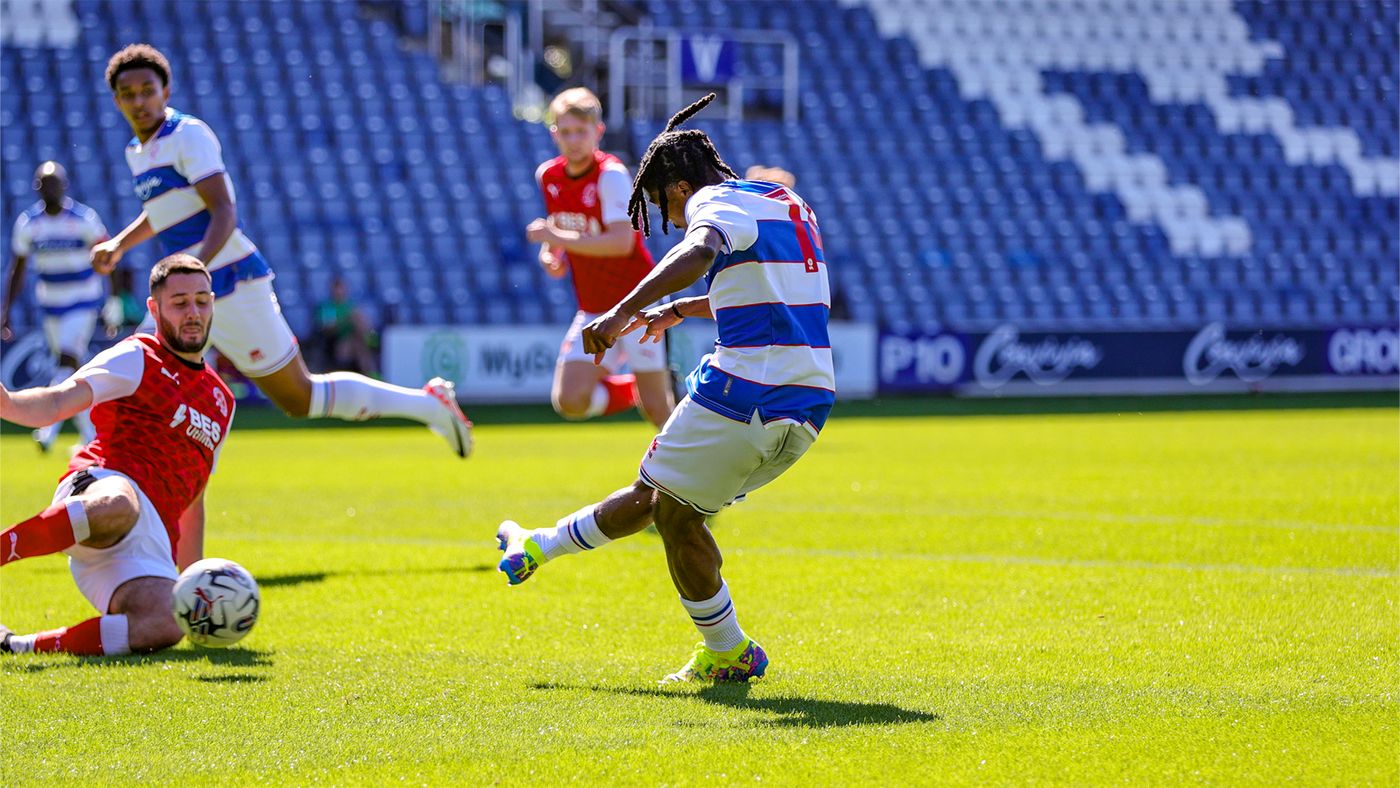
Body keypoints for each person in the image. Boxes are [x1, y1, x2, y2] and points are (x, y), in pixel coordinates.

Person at [497, 94, 834, 683]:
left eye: (660, 206)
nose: (669, 219)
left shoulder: (712, 202)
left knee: (664, 507)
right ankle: (537, 548)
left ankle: (727, 651)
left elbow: (698, 248)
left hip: (745, 391)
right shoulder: (787, 201)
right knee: (673, 508)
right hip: (807, 404)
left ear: (678, 187)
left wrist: (621, 312)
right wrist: (685, 306)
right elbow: (772, 289)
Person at [89, 44, 472, 456]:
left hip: (229, 283)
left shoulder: (188, 135)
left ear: (167, 90)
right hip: (187, 291)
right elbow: (162, 212)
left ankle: (427, 404)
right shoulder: (136, 152)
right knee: (148, 373)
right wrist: (119, 243)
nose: (139, 101)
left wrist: (196, 272)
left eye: (148, 89)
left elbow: (224, 211)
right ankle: (128, 478)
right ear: (116, 101)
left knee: (298, 398)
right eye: (129, 94)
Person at [0, 254, 231, 656]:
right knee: (121, 502)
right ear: (154, 309)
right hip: (102, 489)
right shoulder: (138, 355)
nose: (193, 312)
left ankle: (17, 646)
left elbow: (194, 499)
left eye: (201, 300)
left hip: (148, 545)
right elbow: (58, 401)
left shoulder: (223, 401)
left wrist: (194, 584)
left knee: (166, 623)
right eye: (179, 303)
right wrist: (6, 403)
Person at [527, 87, 675, 429]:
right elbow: (563, 228)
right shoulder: (548, 176)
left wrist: (555, 238)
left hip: (637, 301)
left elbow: (621, 242)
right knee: (570, 400)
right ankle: (633, 389)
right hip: (594, 306)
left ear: (598, 131)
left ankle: (695, 475)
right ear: (554, 134)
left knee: (657, 411)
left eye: (581, 131)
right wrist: (552, 255)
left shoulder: (611, 175)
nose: (574, 140)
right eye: (565, 132)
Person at [2, 161, 111, 452]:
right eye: (44, 183)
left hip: (82, 302)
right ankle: (91, 435)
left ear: (65, 186)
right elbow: (18, 268)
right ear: (37, 188)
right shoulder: (29, 224)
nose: (50, 188)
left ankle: (46, 431)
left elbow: (108, 257)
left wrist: (113, 301)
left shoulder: (84, 218)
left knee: (66, 360)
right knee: (75, 370)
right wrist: (6, 310)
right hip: (51, 306)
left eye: (55, 182)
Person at [312, 277, 378, 376]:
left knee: (358, 326)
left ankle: (367, 340)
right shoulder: (327, 306)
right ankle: (370, 340)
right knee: (358, 343)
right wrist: (345, 320)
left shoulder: (350, 305)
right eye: (337, 288)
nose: (340, 291)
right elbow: (328, 328)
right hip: (335, 341)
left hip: (353, 338)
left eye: (342, 288)